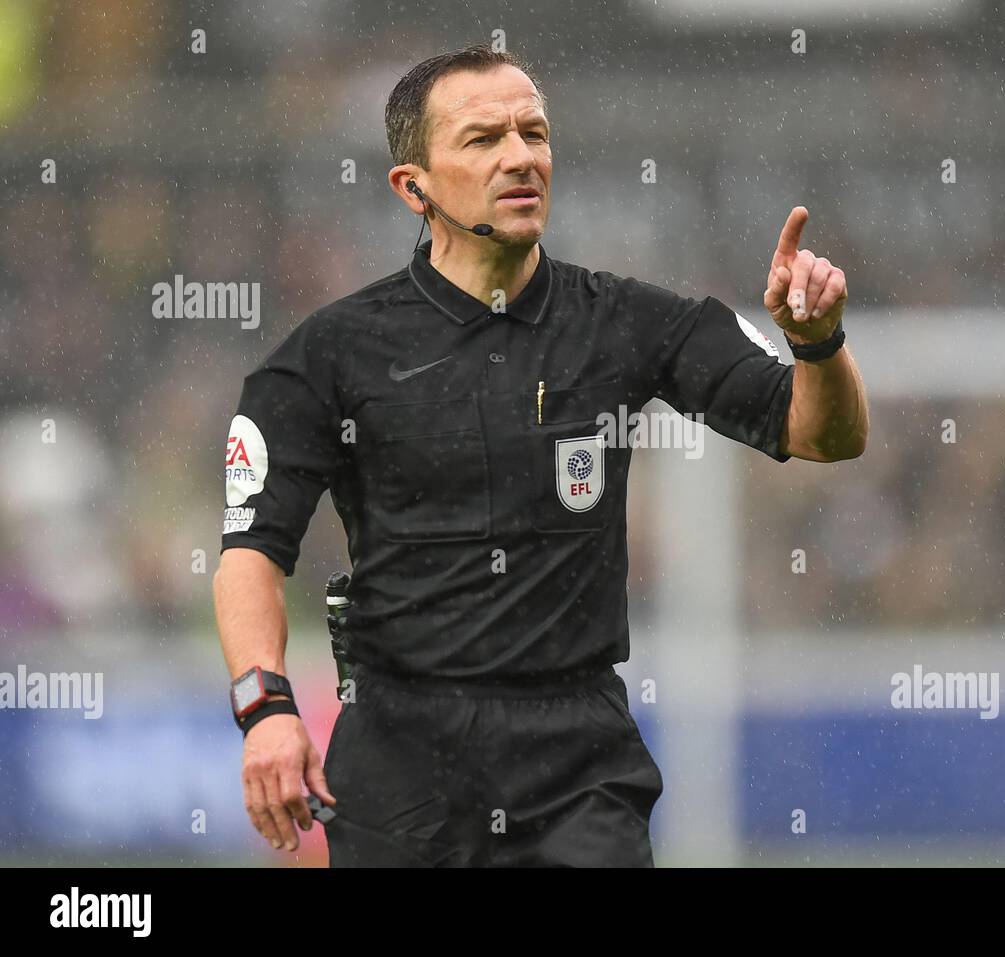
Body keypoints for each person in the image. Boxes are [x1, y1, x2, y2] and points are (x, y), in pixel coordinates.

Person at [212, 44, 868, 867]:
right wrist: (265, 708)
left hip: (578, 768)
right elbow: (249, 556)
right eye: (484, 139)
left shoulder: (630, 321)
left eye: (534, 133)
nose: (520, 156)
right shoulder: (326, 356)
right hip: (402, 766)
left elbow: (822, 434)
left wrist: (817, 343)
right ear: (412, 186)